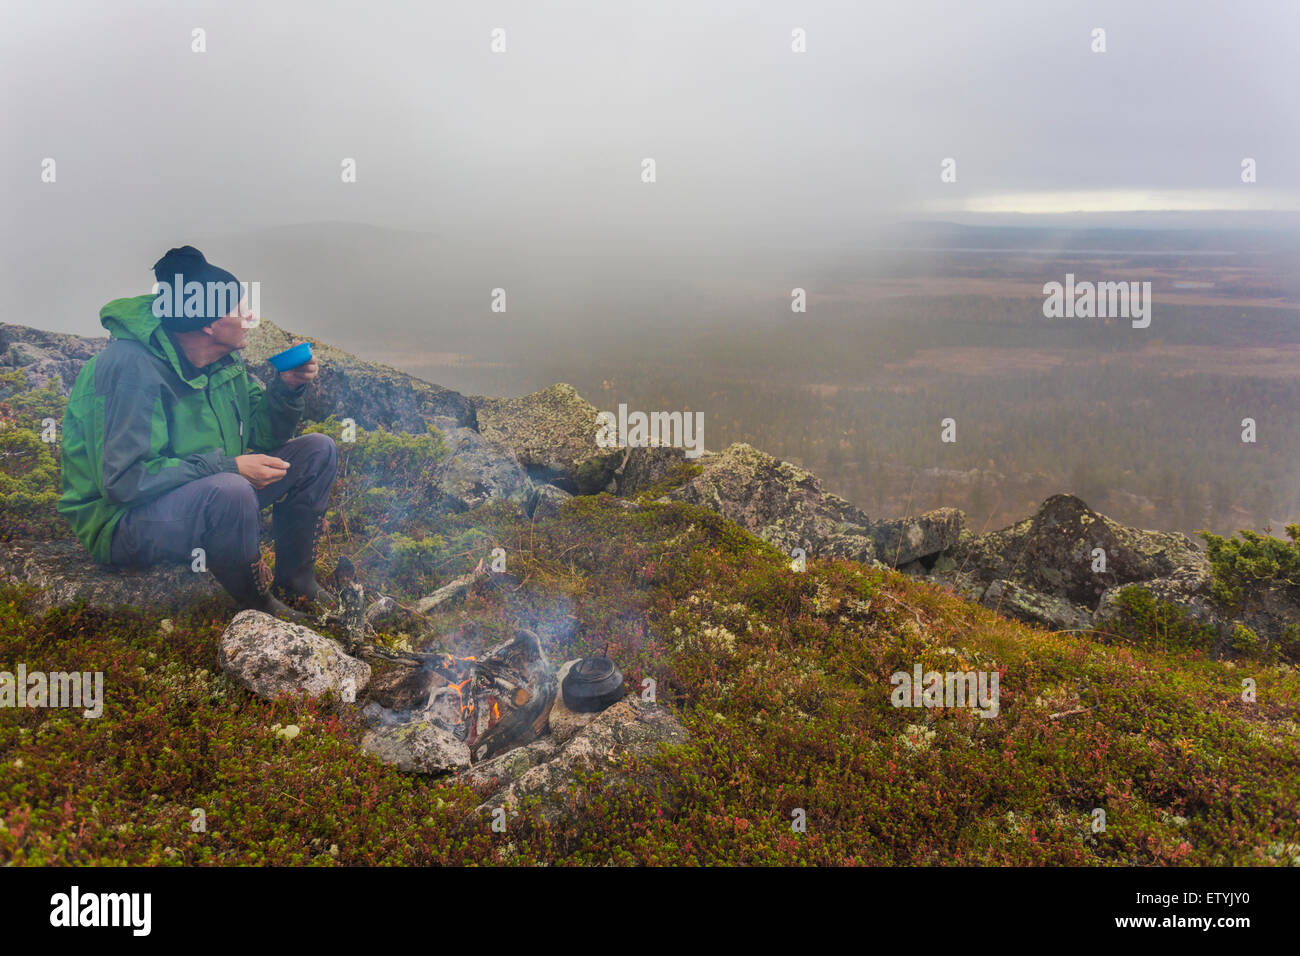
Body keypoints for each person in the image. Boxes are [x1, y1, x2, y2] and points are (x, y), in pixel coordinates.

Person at [58, 246, 338, 619]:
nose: (250, 316)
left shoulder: (221, 361)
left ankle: (296, 579)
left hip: (201, 497)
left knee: (318, 450)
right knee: (231, 488)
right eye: (239, 309)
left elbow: (265, 436)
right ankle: (257, 605)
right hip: (121, 522)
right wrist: (227, 467)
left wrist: (286, 389)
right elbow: (123, 482)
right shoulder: (129, 369)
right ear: (208, 323)